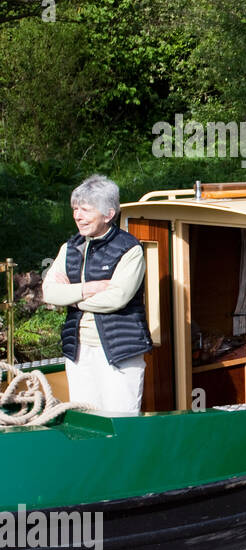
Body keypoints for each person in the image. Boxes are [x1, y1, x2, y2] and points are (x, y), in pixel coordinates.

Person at [41, 175, 152, 413]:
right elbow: (49, 292)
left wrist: (71, 298)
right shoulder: (70, 248)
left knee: (121, 422)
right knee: (87, 421)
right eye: (75, 209)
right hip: (78, 351)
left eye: (85, 210)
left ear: (108, 214)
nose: (77, 216)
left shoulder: (130, 249)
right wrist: (86, 289)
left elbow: (116, 299)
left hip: (120, 352)